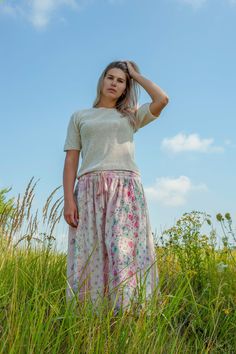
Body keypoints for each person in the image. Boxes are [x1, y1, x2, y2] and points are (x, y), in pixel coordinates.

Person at [63, 60, 169, 315]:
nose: (114, 83)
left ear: (125, 88)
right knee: (91, 254)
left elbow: (162, 99)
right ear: (102, 80)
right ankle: (91, 316)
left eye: (121, 80)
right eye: (110, 77)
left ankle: (128, 314)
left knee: (123, 253)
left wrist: (136, 75)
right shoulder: (80, 116)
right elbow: (70, 159)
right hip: (89, 188)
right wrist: (69, 200)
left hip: (125, 190)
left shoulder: (130, 116)